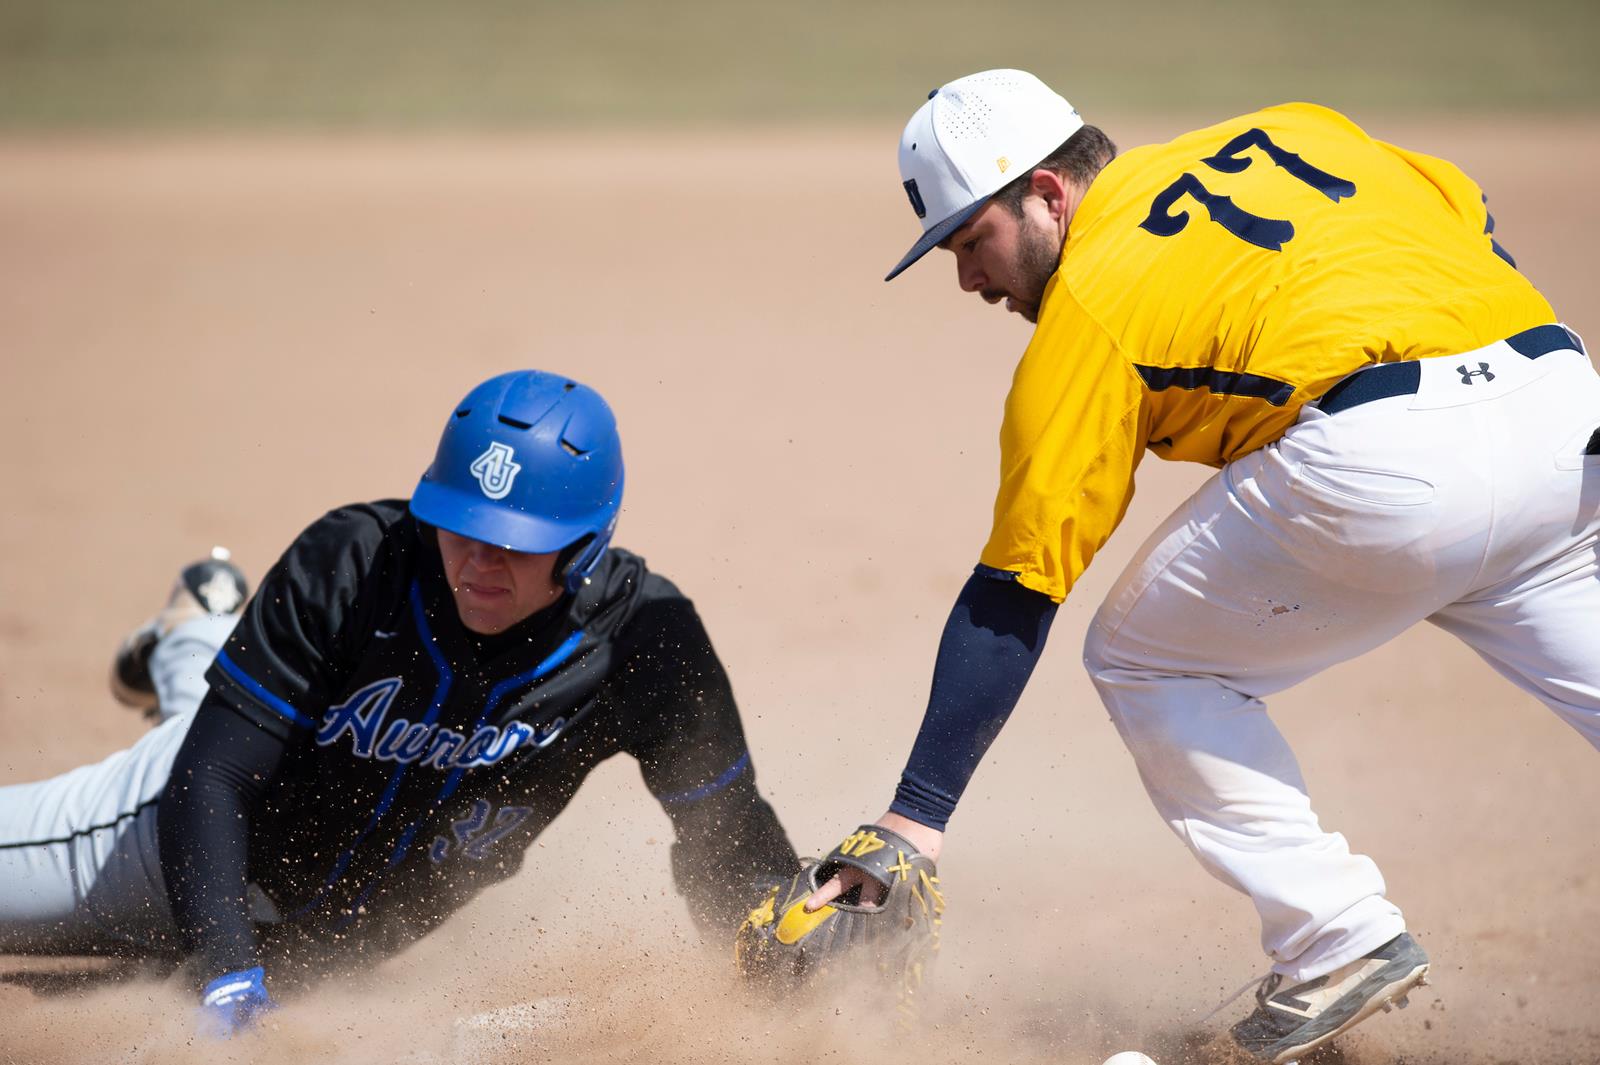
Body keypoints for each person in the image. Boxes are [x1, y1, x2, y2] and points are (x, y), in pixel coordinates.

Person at [803, 69, 1600, 1063]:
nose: (968, 279)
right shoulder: (1298, 126)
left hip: (1391, 464)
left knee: (1147, 658)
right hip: (1562, 410)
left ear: (1048, 194)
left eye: (972, 242)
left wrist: (914, 818)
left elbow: (1018, 588)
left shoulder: (1090, 300)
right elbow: (1463, 208)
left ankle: (1333, 942)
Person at [0, 370, 799, 1037]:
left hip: (318, 940)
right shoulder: (355, 564)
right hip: (162, 840)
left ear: (586, 543)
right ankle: (198, 630)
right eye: (461, 526)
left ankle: (199, 624)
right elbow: (207, 780)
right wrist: (227, 975)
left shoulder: (644, 644)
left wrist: (785, 961)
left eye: (515, 541)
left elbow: (726, 831)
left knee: (241, 699)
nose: (480, 561)